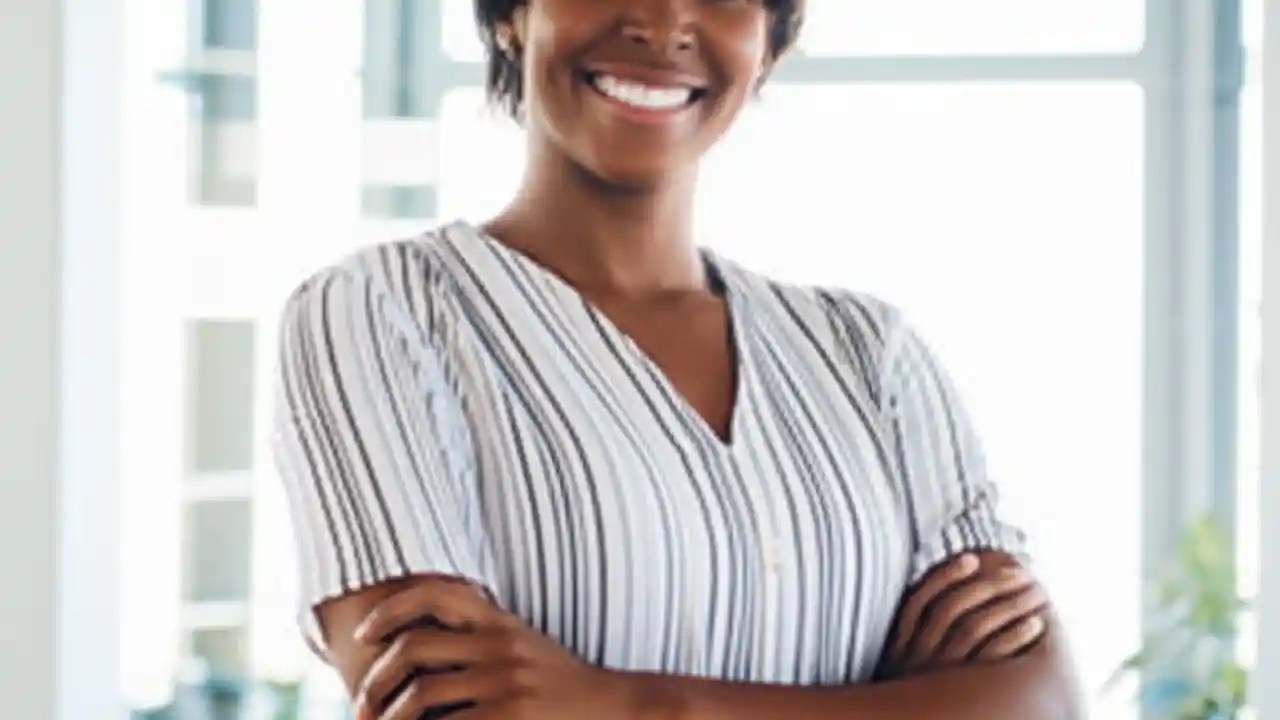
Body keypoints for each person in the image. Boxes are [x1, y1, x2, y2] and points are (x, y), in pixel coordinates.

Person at [271, 1, 1083, 718]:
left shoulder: (869, 354)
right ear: (512, 13)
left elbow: (1043, 705)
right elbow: (451, 708)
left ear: (769, 38)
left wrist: (622, 703)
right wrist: (900, 702)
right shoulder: (382, 312)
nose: (661, 23)